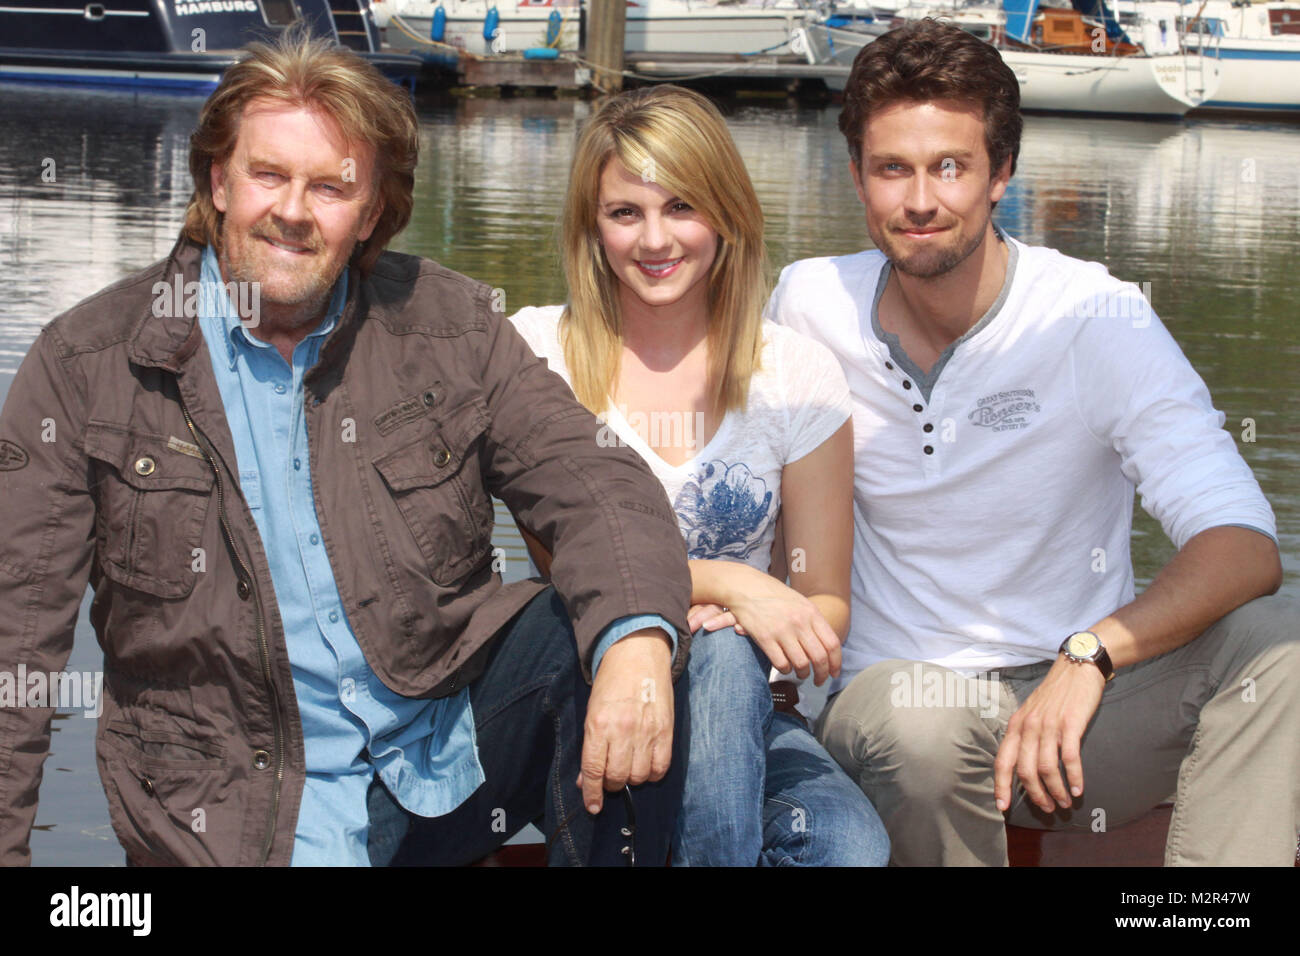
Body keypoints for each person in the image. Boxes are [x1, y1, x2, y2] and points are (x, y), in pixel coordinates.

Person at [0, 30, 695, 867]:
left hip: (443, 764)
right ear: (219, 181)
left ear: (370, 213)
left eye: (331, 187)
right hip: (231, 813)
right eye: (268, 175)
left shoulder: (447, 323)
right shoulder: (86, 363)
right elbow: (15, 643)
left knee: (647, 642)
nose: (293, 211)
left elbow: (597, 479)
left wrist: (636, 643)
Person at [765, 17, 1298, 866]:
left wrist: (1091, 655)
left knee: (1283, 643)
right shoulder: (807, 303)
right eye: (891, 169)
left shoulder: (1095, 315)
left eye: (951, 167)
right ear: (860, 179)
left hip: (1080, 713)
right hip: (891, 706)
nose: (920, 201)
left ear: (1002, 174)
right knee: (922, 722)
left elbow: (1243, 546)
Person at [509, 85, 889, 866]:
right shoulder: (537, 354)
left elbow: (823, 605)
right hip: (588, 689)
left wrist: (748, 610)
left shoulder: (794, 371)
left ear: (725, 214)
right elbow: (568, 566)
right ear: (592, 224)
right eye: (625, 213)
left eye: (681, 207)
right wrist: (731, 583)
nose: (655, 239)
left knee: (847, 845)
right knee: (711, 645)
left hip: (743, 707)